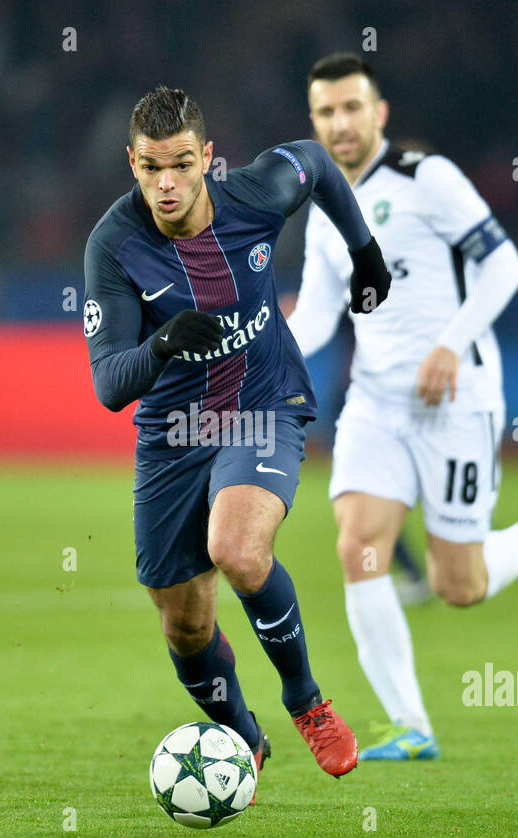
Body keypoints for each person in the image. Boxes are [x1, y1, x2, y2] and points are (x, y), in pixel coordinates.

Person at [82, 85, 393, 783]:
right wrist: (162, 344)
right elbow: (108, 386)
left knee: (239, 549)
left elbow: (313, 161)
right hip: (171, 431)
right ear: (131, 161)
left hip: (263, 401)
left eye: (183, 165)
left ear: (207, 158)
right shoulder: (114, 246)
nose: (167, 183)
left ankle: (306, 702)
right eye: (152, 167)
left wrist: (365, 252)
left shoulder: (253, 195)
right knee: (184, 625)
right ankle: (241, 735)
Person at [287, 54, 518, 761]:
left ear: (378, 112)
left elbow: (505, 263)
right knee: (358, 546)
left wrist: (451, 343)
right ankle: (412, 725)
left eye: (352, 107)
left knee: (460, 585)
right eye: (326, 112)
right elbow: (321, 317)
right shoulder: (325, 214)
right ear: (315, 121)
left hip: (456, 399)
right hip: (376, 404)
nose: (340, 123)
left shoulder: (428, 178)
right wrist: (262, 351)